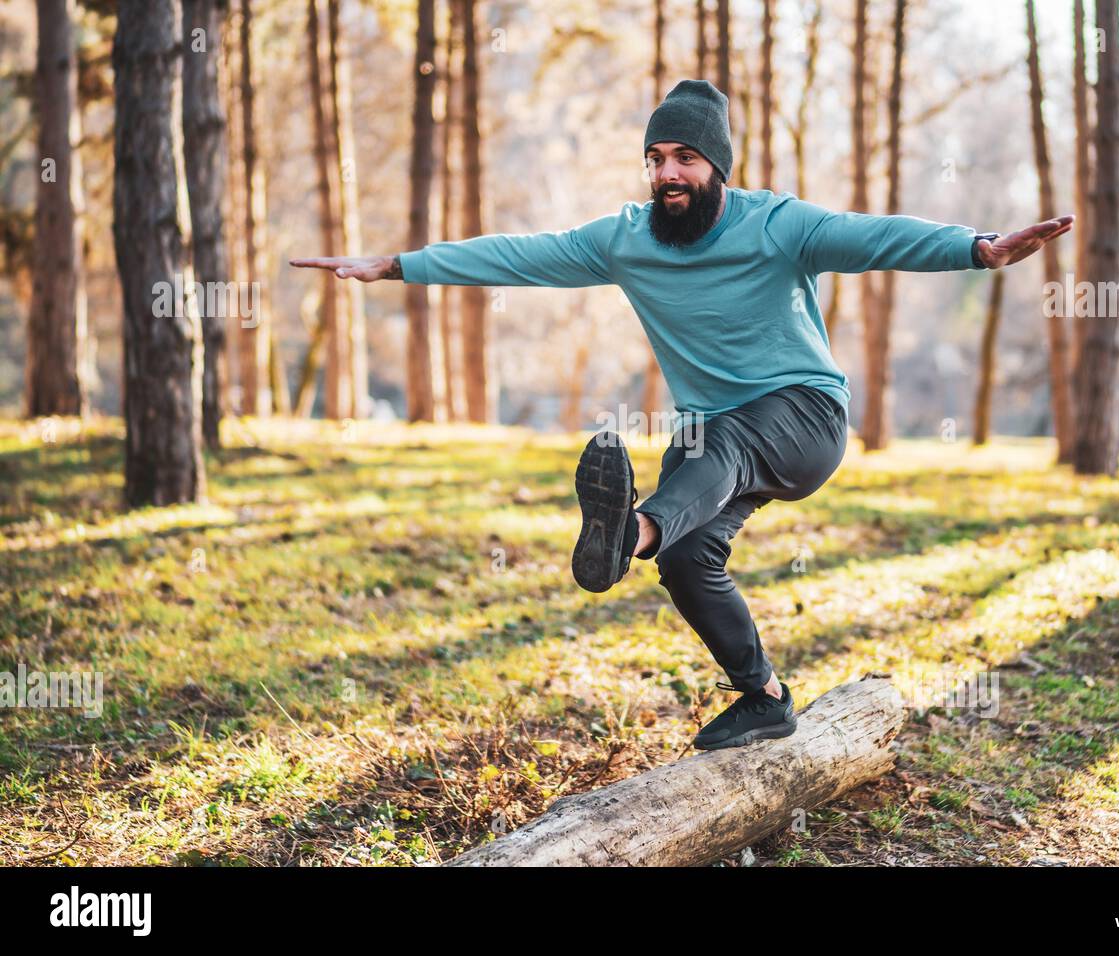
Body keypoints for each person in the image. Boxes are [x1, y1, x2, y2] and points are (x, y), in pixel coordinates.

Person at [291, 78, 1072, 751]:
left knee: (716, 445)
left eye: (685, 159)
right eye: (655, 159)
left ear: (717, 168)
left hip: (803, 418)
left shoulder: (776, 224)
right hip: (712, 440)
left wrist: (978, 248)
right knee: (688, 560)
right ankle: (763, 696)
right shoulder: (627, 242)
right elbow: (519, 255)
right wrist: (396, 266)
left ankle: (627, 531)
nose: (667, 174)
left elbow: (872, 237)